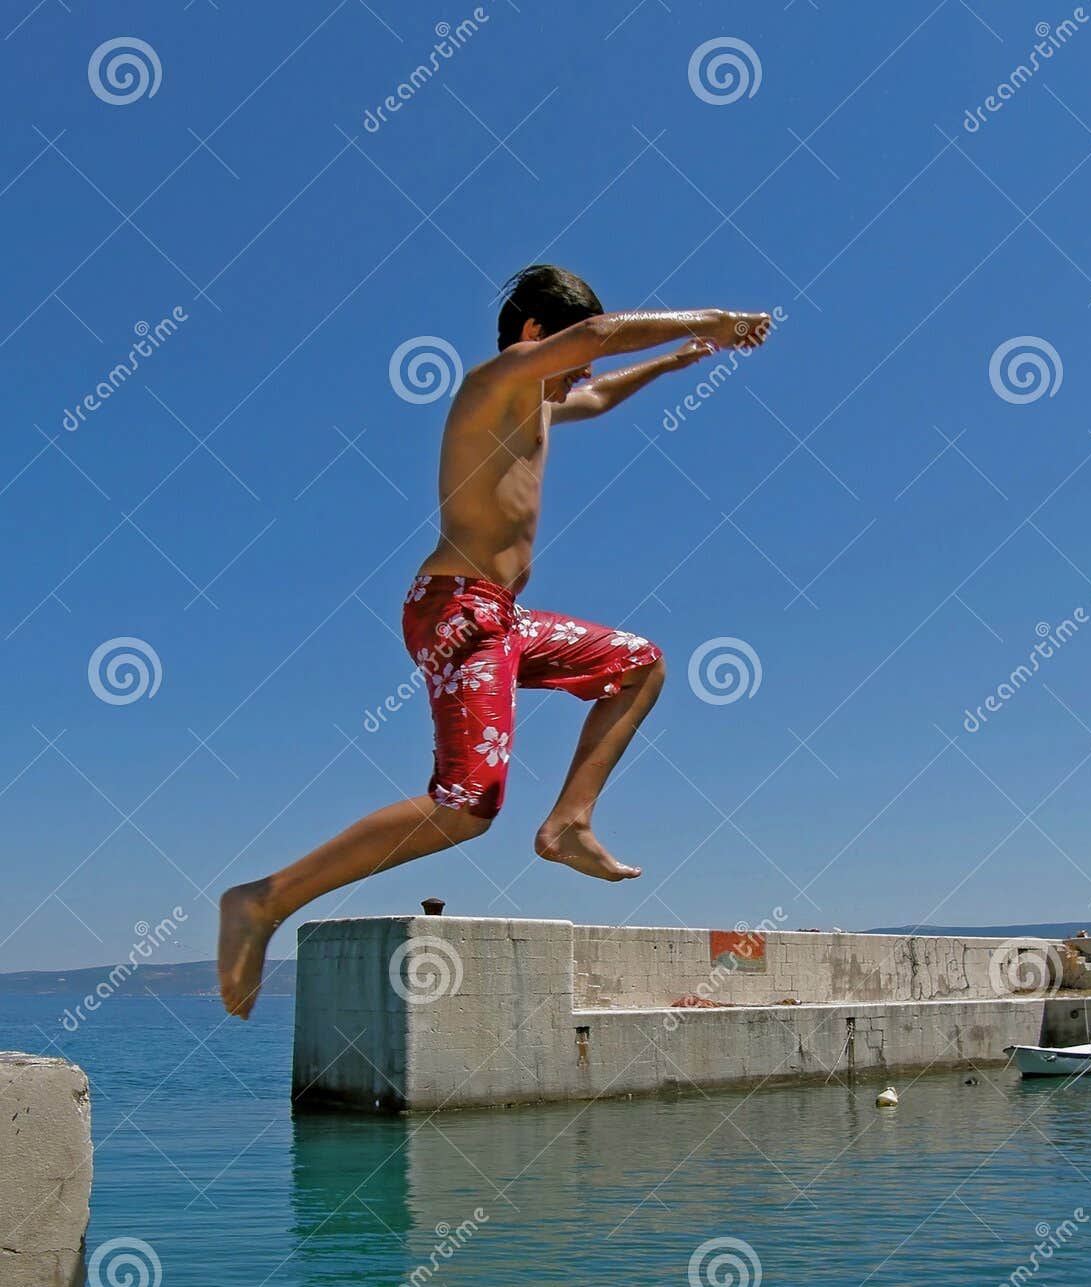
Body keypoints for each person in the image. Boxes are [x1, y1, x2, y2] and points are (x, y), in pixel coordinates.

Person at [218, 266, 772, 1016]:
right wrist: (711, 318)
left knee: (638, 663)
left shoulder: (538, 406)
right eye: (571, 355)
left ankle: (569, 822)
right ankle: (264, 900)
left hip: (502, 618)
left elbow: (602, 387)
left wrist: (672, 363)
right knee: (465, 807)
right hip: (456, 609)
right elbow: (599, 339)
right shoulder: (494, 381)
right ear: (534, 335)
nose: (583, 372)